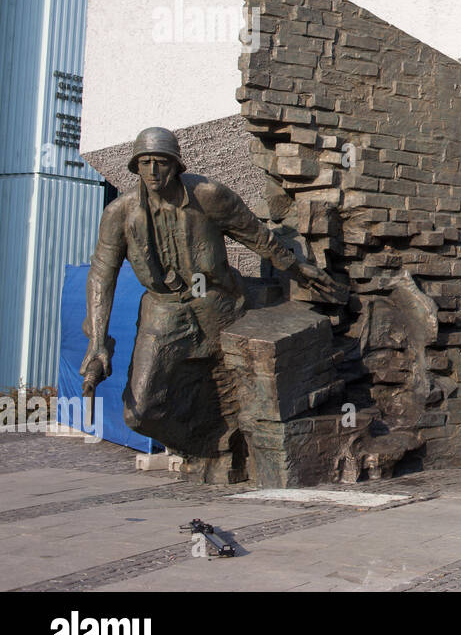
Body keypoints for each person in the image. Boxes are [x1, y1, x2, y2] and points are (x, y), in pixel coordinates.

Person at [81, 127, 346, 472]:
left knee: (239, 389)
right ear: (135, 167)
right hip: (162, 309)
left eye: (160, 162)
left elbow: (256, 236)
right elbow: (102, 272)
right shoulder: (121, 213)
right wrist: (98, 341)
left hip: (218, 303)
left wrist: (296, 267)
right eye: (144, 163)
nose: (152, 171)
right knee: (139, 411)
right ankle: (209, 447)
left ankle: (238, 455)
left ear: (175, 165)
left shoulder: (209, 196)